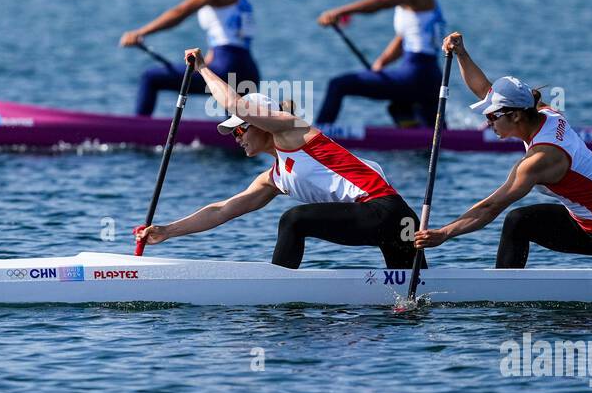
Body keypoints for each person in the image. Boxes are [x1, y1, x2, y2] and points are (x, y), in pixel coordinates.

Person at [134, 49, 427, 270]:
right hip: (395, 222)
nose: (235, 137)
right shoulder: (272, 179)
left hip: (386, 212)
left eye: (239, 128)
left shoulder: (292, 130)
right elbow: (222, 210)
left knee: (293, 219)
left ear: (262, 124)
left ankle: (278, 287)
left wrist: (202, 69)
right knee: (411, 303)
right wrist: (167, 231)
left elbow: (235, 103)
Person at [414, 33, 592, 269]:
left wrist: (443, 233)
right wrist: (462, 54)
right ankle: (505, 295)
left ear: (514, 116)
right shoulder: (542, 112)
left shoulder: (539, 159)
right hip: (582, 223)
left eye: (491, 116)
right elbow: (484, 89)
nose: (487, 123)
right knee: (519, 221)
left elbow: (490, 207)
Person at [314, 0, 446, 128]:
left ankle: (317, 138)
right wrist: (381, 63)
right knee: (438, 137)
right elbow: (404, 39)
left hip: (416, 75)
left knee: (338, 85)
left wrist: (339, 12)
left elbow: (379, 3)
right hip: (429, 78)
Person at [120, 0, 260, 116]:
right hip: (245, 68)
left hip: (226, 68)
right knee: (237, 134)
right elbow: (226, 36)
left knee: (151, 77)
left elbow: (180, 12)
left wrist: (139, 33)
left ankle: (137, 131)